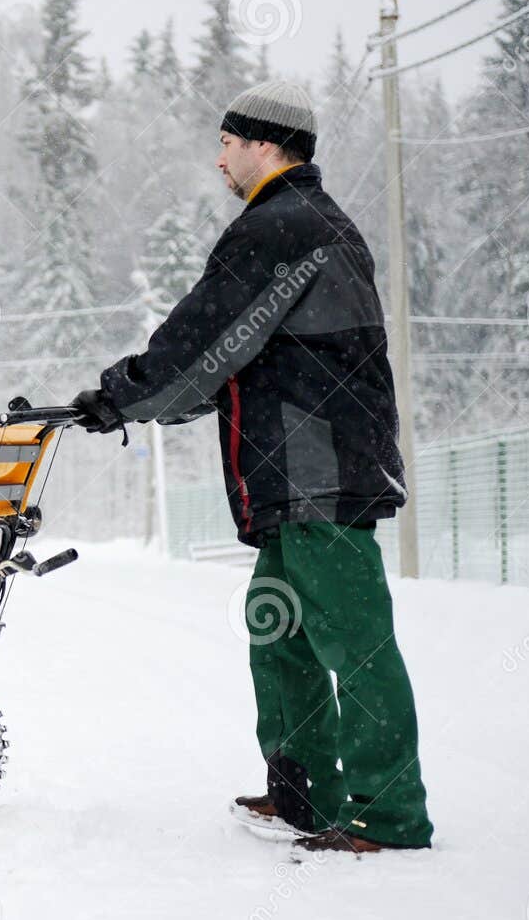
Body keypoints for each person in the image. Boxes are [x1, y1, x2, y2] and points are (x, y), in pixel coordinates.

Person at [65, 80, 434, 854]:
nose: (218, 158)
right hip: (292, 473)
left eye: (227, 143)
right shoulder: (305, 225)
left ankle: (389, 815)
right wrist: (136, 400)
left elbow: (204, 339)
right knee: (281, 632)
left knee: (353, 641)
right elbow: (235, 358)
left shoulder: (282, 227)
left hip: (317, 471)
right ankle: (306, 792)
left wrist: (119, 396)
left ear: (264, 144)